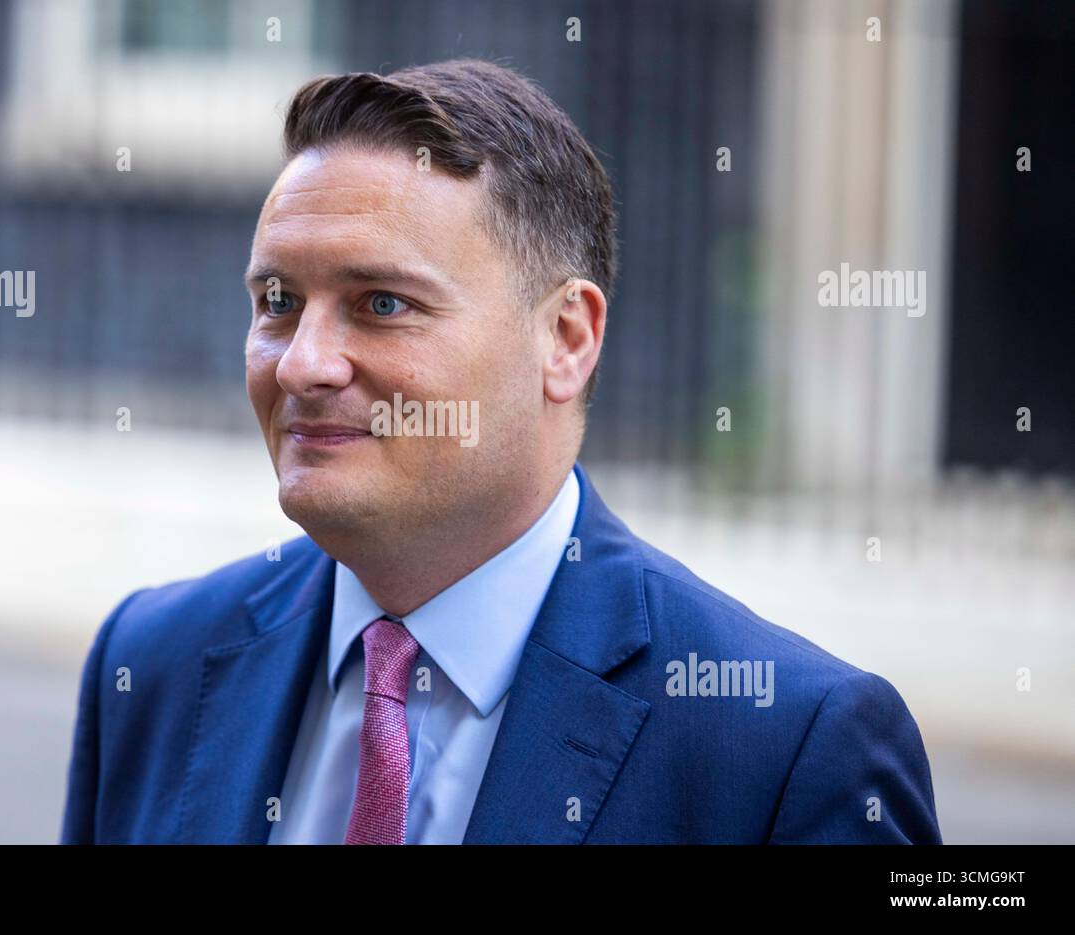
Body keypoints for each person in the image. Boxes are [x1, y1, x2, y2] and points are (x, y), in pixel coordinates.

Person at [60, 58, 942, 845]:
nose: (302, 363)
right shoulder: (152, 665)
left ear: (565, 339)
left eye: (382, 304)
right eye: (278, 301)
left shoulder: (787, 750)